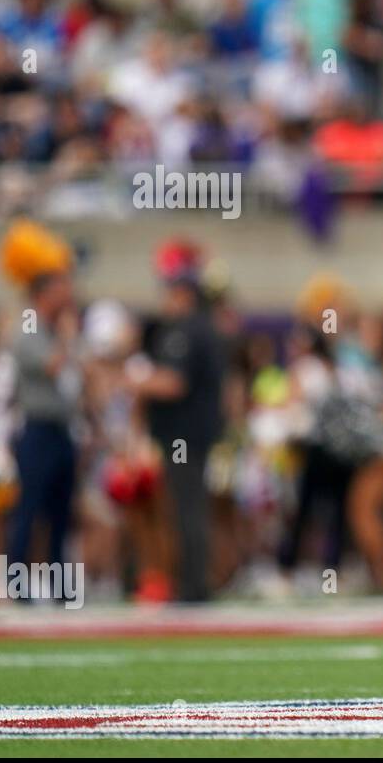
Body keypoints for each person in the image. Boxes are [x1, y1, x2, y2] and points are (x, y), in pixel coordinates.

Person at [130, 240, 225, 603]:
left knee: (187, 507)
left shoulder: (188, 329)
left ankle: (194, 586)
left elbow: (173, 383)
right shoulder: (199, 326)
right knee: (189, 506)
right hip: (191, 433)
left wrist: (133, 380)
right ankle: (193, 584)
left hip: (185, 434)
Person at [0, 222, 79, 594]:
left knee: (61, 512)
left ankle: (61, 587)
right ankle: (16, 585)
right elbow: (53, 365)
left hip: (61, 428)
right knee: (28, 510)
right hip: (38, 429)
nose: (68, 293)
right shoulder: (29, 326)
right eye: (61, 285)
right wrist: (68, 335)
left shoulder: (47, 327)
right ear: (44, 291)